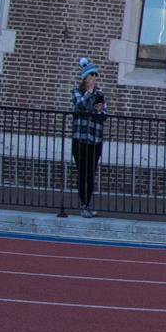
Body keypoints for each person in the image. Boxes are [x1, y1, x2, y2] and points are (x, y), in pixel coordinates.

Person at [70, 57, 108, 217]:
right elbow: (79, 106)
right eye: (91, 75)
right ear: (85, 77)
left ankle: (88, 203)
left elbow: (103, 115)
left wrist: (99, 111)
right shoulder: (77, 91)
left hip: (94, 139)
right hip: (80, 139)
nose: (94, 77)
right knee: (82, 172)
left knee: (91, 173)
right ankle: (83, 204)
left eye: (95, 75)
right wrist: (89, 94)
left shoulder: (100, 93)